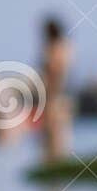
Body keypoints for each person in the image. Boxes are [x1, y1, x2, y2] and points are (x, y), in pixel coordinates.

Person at [38, 15, 73, 162]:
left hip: (54, 98)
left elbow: (55, 72)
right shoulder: (65, 47)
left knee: (54, 137)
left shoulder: (55, 49)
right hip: (57, 97)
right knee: (55, 137)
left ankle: (54, 168)